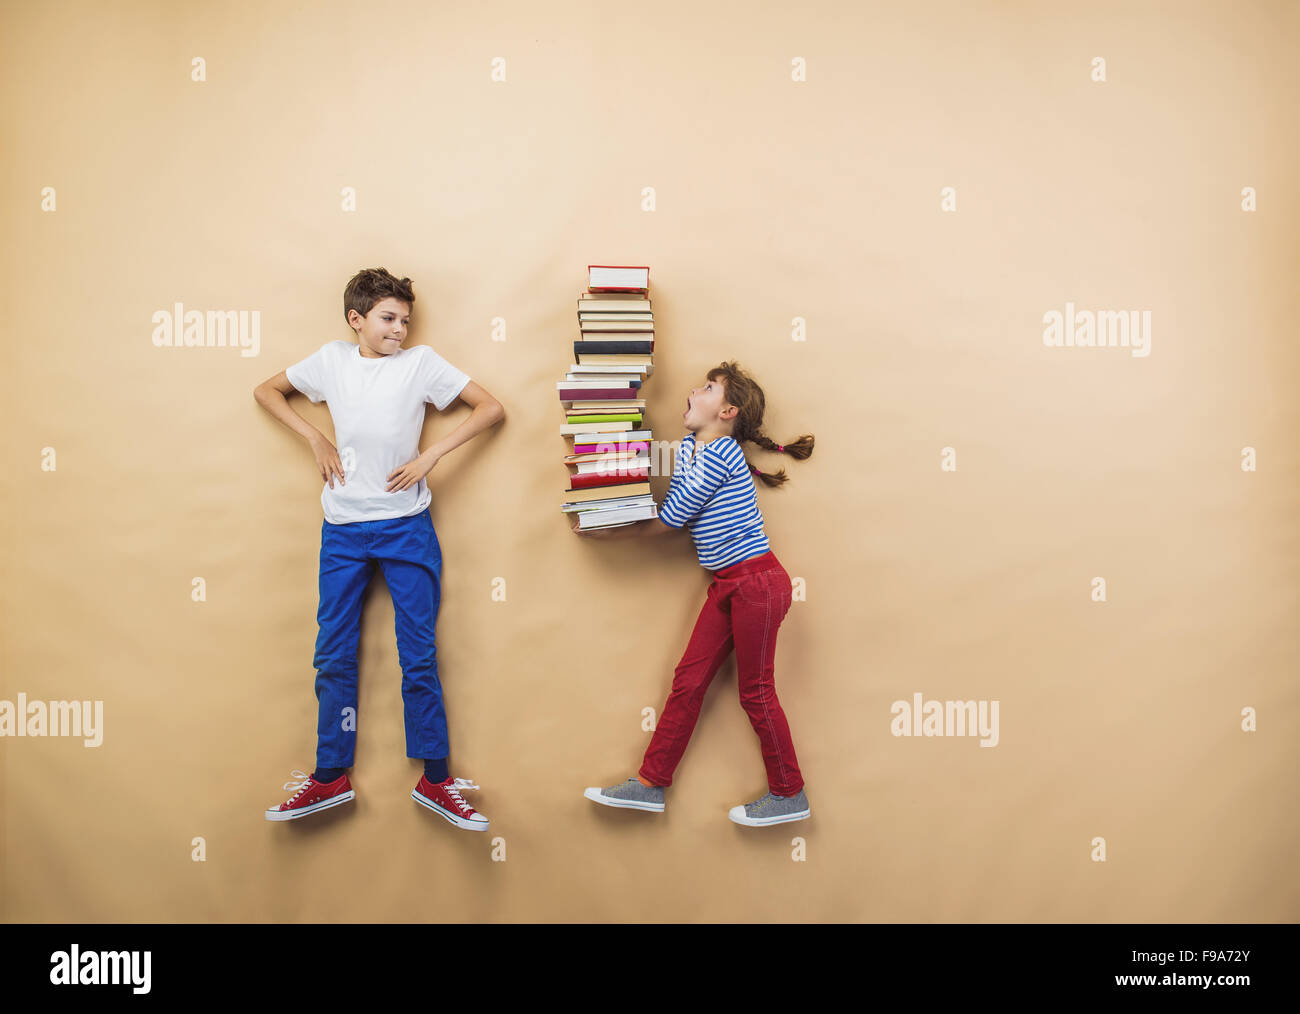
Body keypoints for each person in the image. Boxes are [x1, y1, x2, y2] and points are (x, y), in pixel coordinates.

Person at [254, 267, 504, 830]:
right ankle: (329, 776)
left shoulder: (421, 364)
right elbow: (265, 391)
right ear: (356, 319)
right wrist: (315, 436)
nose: (399, 330)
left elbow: (490, 408)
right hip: (342, 528)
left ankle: (436, 780)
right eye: (388, 319)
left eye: (405, 321)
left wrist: (431, 456)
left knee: (418, 655)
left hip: (406, 526)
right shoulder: (330, 361)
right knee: (333, 654)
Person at [575, 361, 814, 826]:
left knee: (755, 691)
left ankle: (790, 793)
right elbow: (672, 501)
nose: (693, 390)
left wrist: (607, 530)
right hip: (726, 584)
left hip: (757, 583)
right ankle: (650, 785)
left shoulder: (720, 454)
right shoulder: (690, 448)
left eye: (707, 388)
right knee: (688, 682)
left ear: (727, 411)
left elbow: (672, 518)